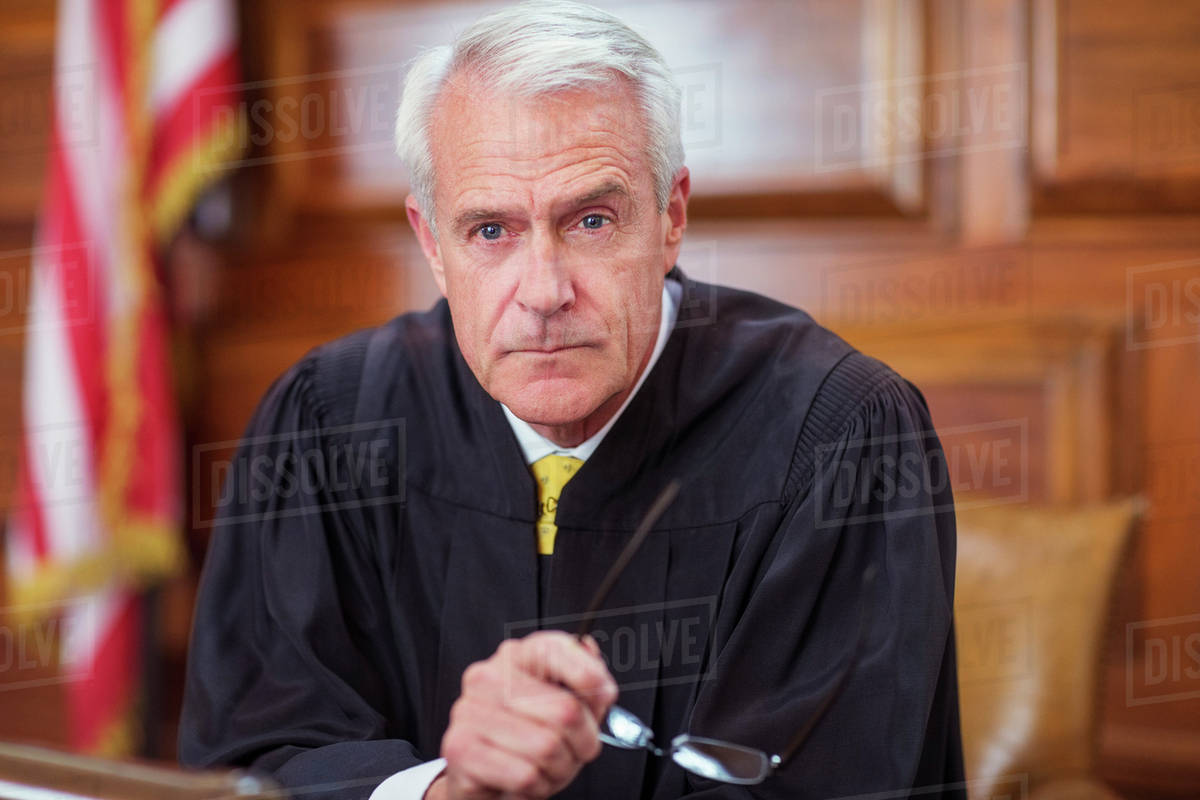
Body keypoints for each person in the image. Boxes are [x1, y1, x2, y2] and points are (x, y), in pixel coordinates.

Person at [178, 2, 965, 799]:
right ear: (431, 243)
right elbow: (256, 761)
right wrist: (442, 793)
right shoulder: (332, 426)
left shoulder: (837, 439)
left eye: (591, 220)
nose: (544, 292)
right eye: (490, 230)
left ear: (670, 218)